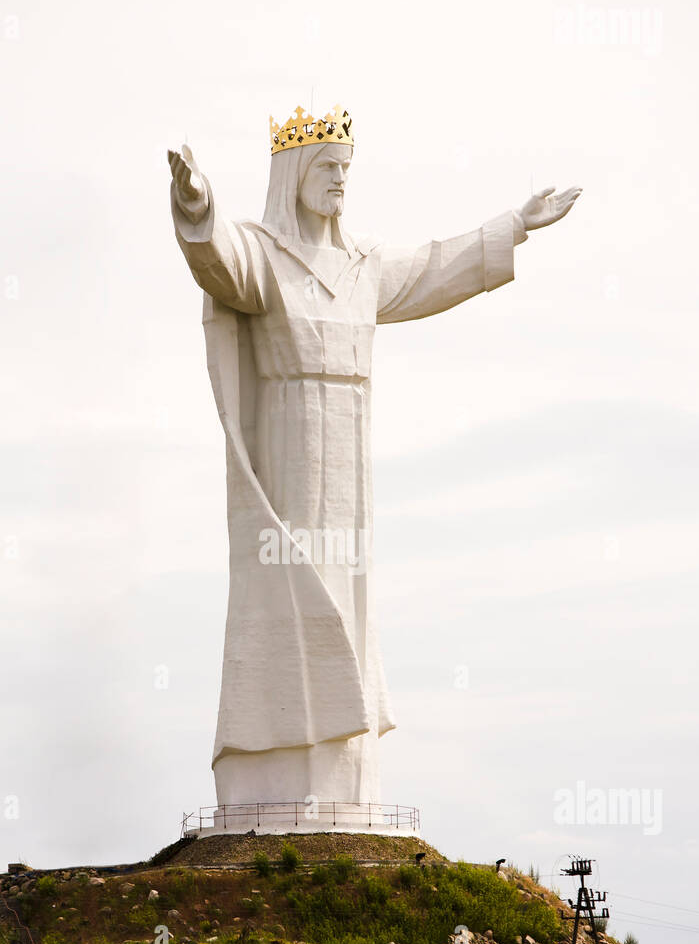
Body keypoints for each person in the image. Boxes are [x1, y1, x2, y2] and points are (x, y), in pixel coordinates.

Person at [168, 106, 580, 816]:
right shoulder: (266, 257)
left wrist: (515, 223)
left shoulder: (361, 267)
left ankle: (345, 776)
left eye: (346, 171)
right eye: (327, 169)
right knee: (293, 595)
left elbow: (433, 267)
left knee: (348, 606)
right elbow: (220, 262)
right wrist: (197, 205)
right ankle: (278, 774)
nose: (339, 184)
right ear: (294, 174)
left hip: (349, 459)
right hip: (290, 451)